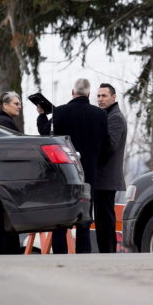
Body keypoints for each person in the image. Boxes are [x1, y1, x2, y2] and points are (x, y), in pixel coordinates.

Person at [37, 78, 109, 254]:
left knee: (61, 215)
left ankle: (60, 253)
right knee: (84, 214)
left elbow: (45, 134)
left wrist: (41, 114)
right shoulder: (100, 115)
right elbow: (106, 147)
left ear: (72, 92)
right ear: (89, 94)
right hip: (88, 173)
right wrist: (95, 162)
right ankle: (83, 253)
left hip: (63, 173)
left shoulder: (60, 111)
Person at [94, 83, 128, 253]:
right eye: (98, 96)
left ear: (114, 97)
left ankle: (107, 253)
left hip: (106, 178)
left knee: (105, 219)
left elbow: (110, 147)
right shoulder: (106, 115)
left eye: (104, 96)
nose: (100, 99)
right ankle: (105, 252)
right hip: (102, 178)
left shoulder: (114, 117)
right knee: (101, 219)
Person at [0, 91, 23, 254]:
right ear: (4, 105)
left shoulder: (0, 120)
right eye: (16, 103)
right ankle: (8, 251)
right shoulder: (4, 122)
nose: (19, 106)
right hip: (7, 176)